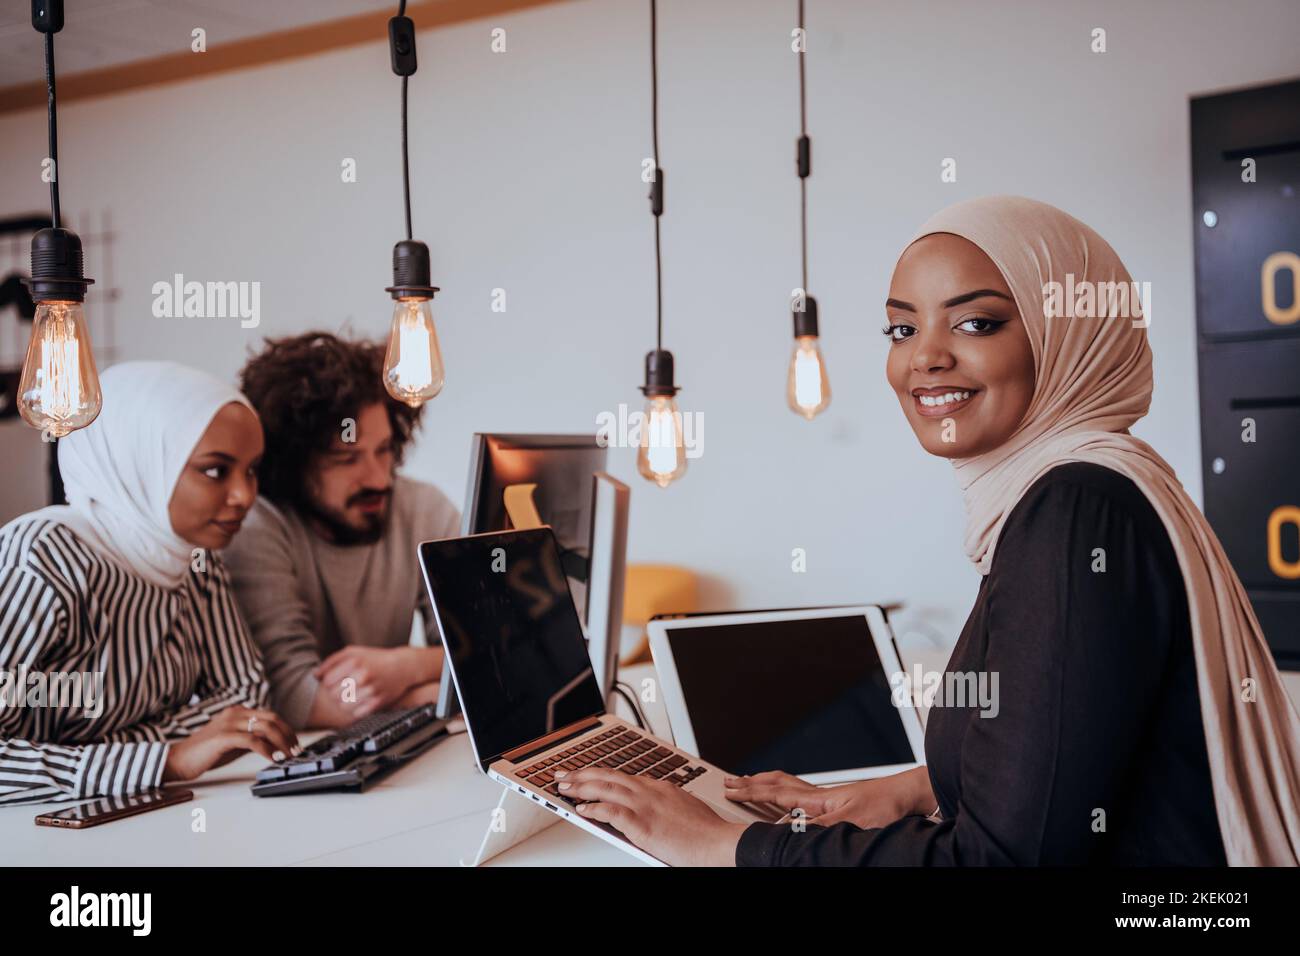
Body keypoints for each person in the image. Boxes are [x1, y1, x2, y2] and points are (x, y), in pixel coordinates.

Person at [556, 195, 1300, 866]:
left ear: (1067, 333)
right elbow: (1079, 750)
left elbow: (1000, 864)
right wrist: (915, 791)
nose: (924, 357)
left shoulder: (1075, 510)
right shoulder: (1096, 484)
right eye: (902, 327)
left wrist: (727, 844)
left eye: (976, 322)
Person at [0, 361, 297, 806]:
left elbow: (243, 700)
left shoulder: (195, 556)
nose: (245, 497)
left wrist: (129, 759)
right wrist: (167, 760)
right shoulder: (42, 558)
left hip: (128, 813)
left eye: (252, 470)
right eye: (216, 471)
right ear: (139, 462)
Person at [224, 332, 460, 730]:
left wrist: (406, 666)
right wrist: (436, 690)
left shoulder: (422, 508)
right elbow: (297, 699)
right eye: (347, 458)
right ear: (294, 463)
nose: (379, 478)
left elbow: (487, 650)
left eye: (384, 449)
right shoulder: (257, 528)